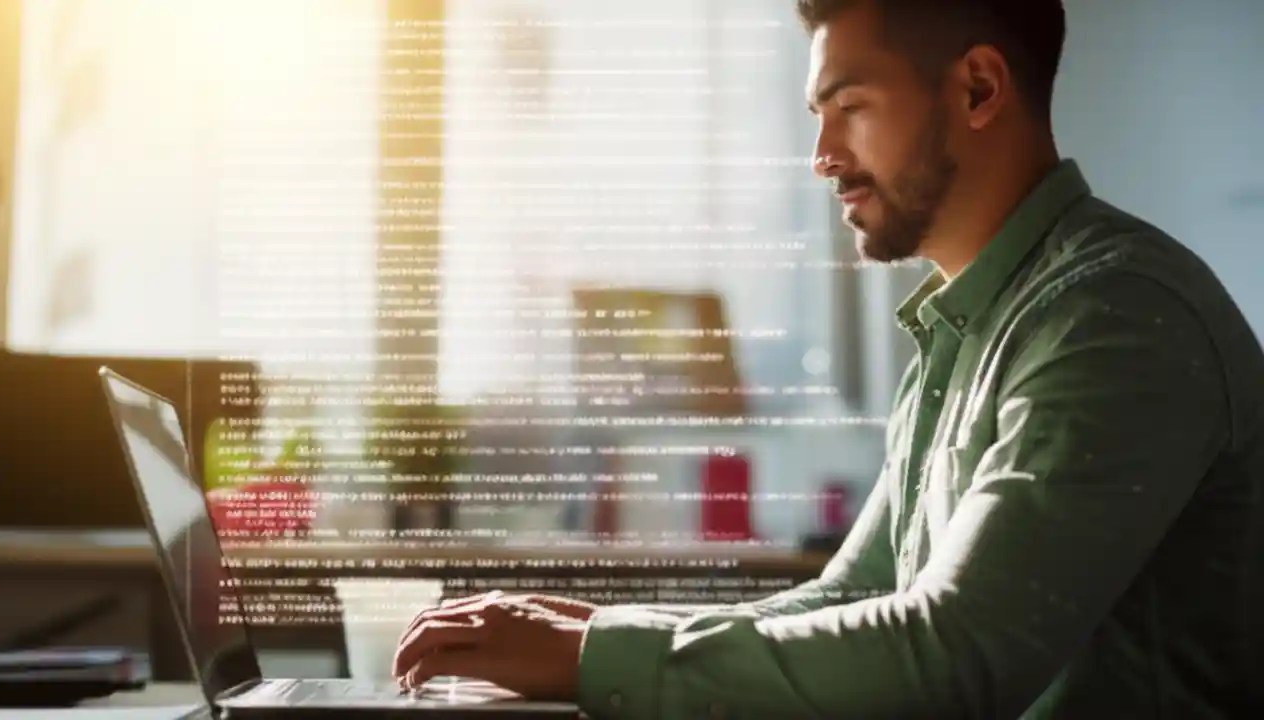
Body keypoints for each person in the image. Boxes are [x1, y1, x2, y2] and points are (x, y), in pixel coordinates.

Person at [389, 0, 1264, 716]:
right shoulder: (964, 333)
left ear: (979, 87)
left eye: (851, 107)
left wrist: (594, 655)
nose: (822, 159)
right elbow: (845, 602)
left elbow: (953, 652)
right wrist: (596, 630)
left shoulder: (1111, 318)